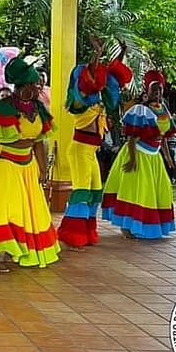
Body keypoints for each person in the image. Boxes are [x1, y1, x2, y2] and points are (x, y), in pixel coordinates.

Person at [0, 56, 59, 272]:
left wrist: (43, 171)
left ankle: (16, 250)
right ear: (22, 86)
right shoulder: (2, 108)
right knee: (5, 210)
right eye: (34, 85)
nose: (38, 88)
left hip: (28, 166)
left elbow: (38, 143)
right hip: (5, 166)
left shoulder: (38, 109)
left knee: (28, 211)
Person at [57, 37, 132, 249]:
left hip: (91, 151)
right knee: (81, 190)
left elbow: (107, 72)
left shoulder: (98, 100)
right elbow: (91, 74)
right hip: (79, 150)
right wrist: (96, 55)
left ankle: (87, 232)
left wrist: (121, 54)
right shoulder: (79, 101)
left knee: (95, 191)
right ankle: (72, 235)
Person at [101, 71, 176, 240]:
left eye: (160, 89)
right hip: (138, 155)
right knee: (136, 192)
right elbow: (132, 139)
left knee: (157, 192)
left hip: (154, 157)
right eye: (154, 89)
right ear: (146, 91)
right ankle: (127, 227)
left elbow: (163, 137)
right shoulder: (140, 111)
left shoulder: (163, 109)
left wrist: (168, 158)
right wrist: (132, 160)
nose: (158, 92)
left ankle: (146, 225)